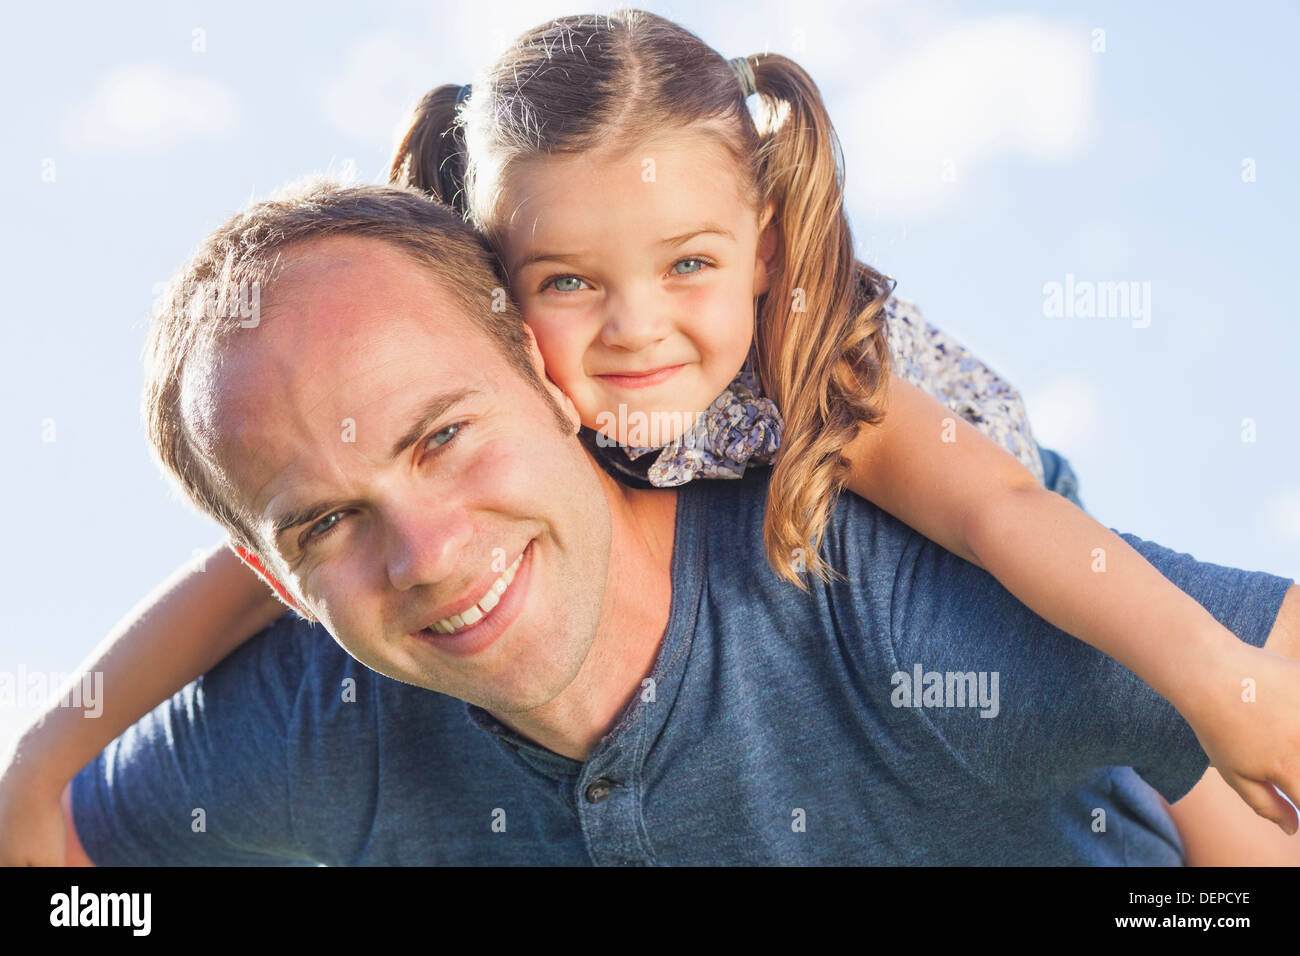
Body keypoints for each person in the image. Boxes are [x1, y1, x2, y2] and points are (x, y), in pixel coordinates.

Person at [3, 11, 1300, 863]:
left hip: (1028, 536)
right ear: (517, 314)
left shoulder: (835, 458)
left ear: (762, 256)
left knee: (1193, 779)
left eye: (445, 436)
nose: (637, 331)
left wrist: (1211, 685)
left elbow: (1014, 526)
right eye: (571, 282)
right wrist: (45, 759)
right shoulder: (326, 696)